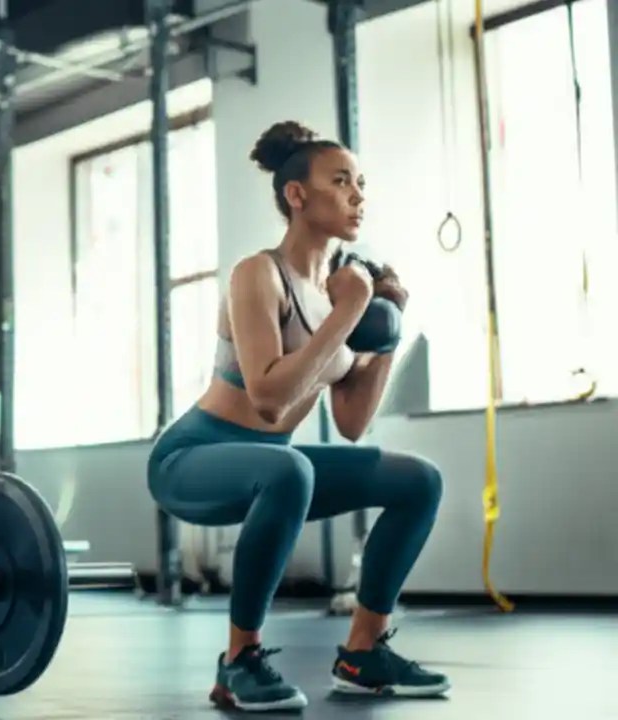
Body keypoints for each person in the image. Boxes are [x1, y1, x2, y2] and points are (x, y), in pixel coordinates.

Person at [146, 120, 450, 713]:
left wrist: (387, 330)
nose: (357, 195)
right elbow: (268, 398)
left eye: (360, 183)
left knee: (419, 481)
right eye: (341, 181)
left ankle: (363, 652)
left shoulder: (338, 294)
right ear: (296, 195)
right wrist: (351, 311)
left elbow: (353, 421)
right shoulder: (258, 275)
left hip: (275, 467)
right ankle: (239, 661)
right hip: (191, 458)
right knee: (290, 471)